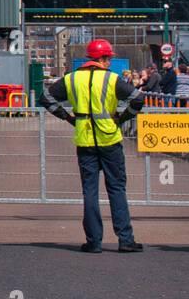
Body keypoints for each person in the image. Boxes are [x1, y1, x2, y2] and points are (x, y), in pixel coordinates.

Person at [40, 38, 144, 253]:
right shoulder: (112, 79)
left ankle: (94, 242)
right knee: (116, 188)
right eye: (108, 59)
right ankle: (125, 240)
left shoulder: (71, 79)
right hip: (110, 139)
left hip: (85, 139)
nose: (109, 63)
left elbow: (46, 98)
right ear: (103, 59)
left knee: (90, 191)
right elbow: (138, 98)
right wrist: (123, 119)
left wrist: (68, 118)